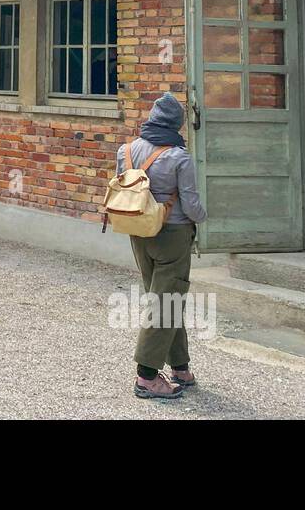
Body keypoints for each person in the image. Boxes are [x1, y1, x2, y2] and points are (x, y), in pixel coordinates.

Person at [119, 92, 208, 400]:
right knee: (166, 302)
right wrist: (210, 217)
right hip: (173, 236)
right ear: (177, 125)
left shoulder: (127, 150)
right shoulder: (180, 158)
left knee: (167, 300)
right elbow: (193, 206)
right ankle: (146, 377)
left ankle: (180, 367)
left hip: (138, 232)